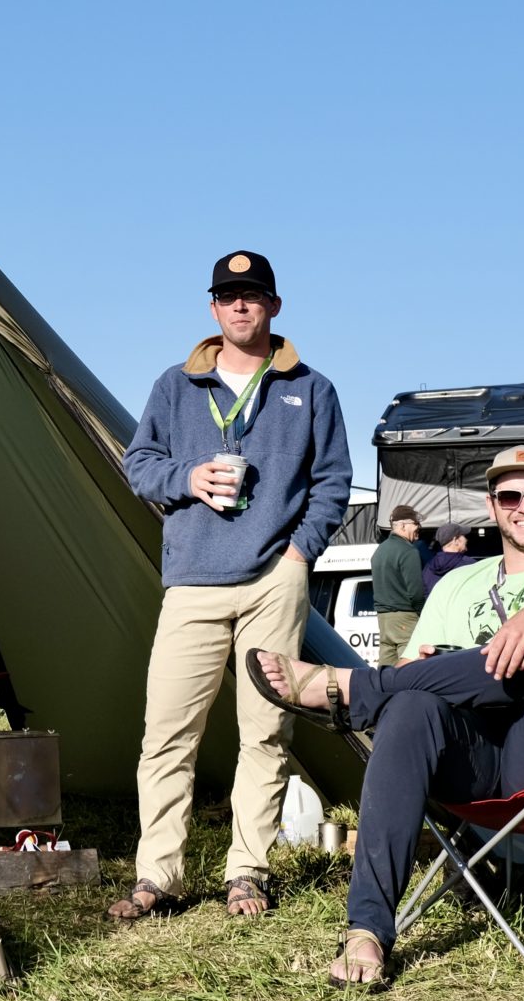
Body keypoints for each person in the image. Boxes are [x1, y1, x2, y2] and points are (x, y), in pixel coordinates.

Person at [248, 444, 524, 987]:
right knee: (410, 702)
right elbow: (414, 671)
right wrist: (423, 667)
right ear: (492, 506)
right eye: (510, 496)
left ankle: (355, 688)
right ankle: (367, 929)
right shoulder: (457, 583)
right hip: (484, 765)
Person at [115, 249, 351, 921]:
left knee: (266, 731)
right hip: (192, 581)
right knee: (167, 732)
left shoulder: (312, 388)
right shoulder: (175, 385)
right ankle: (158, 876)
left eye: (251, 295)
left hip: (275, 579)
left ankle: (247, 872)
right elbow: (139, 464)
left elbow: (333, 480)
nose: (239, 305)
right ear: (213, 307)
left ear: (274, 305)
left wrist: (300, 554)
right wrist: (186, 477)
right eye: (226, 296)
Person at [369, 505, 424, 670]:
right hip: (405, 617)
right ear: (403, 526)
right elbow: (416, 592)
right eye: (416, 524)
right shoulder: (408, 551)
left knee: (385, 670)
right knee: (411, 667)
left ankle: (381, 688)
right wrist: (422, 614)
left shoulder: (379, 550)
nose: (419, 529)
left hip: (384, 618)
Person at [422, 523, 477, 595]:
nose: (466, 539)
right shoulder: (469, 565)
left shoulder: (429, 567)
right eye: (463, 536)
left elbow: (425, 594)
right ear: (456, 540)